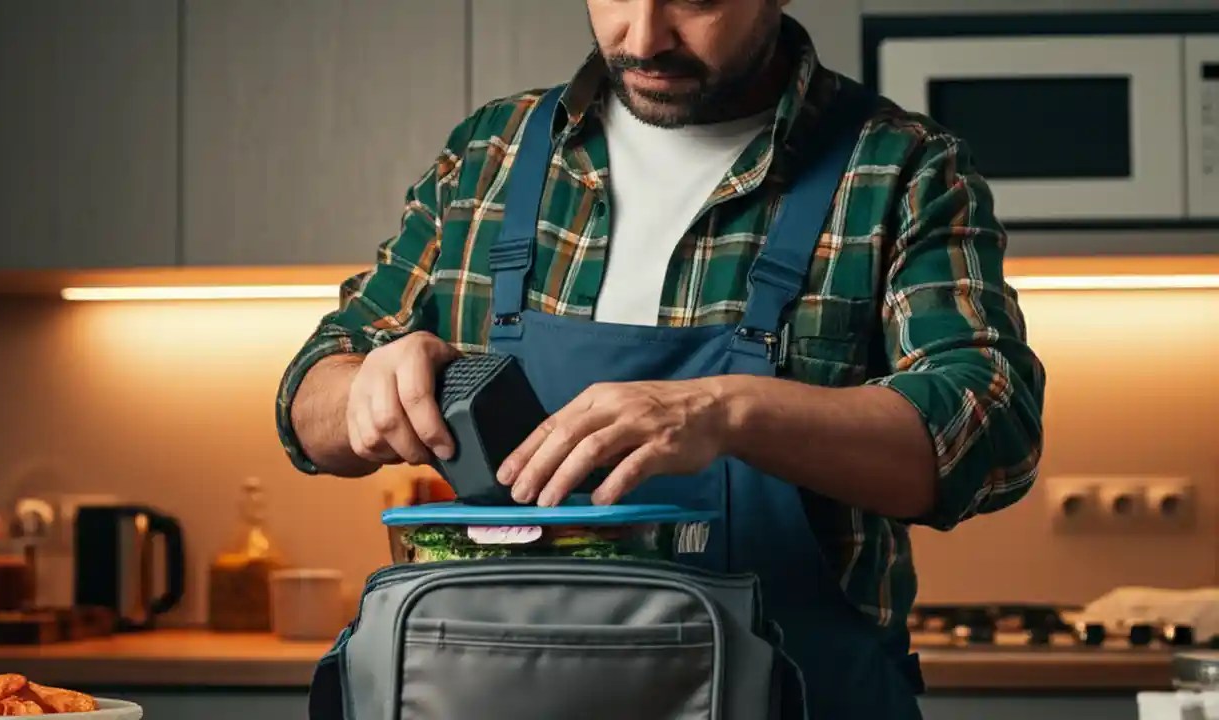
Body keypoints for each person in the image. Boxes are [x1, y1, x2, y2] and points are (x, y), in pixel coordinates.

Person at [276, 1, 1046, 717]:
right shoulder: (491, 155)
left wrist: (727, 409)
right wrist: (364, 391)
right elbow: (310, 396)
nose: (643, 38)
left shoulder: (899, 168)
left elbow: (991, 431)